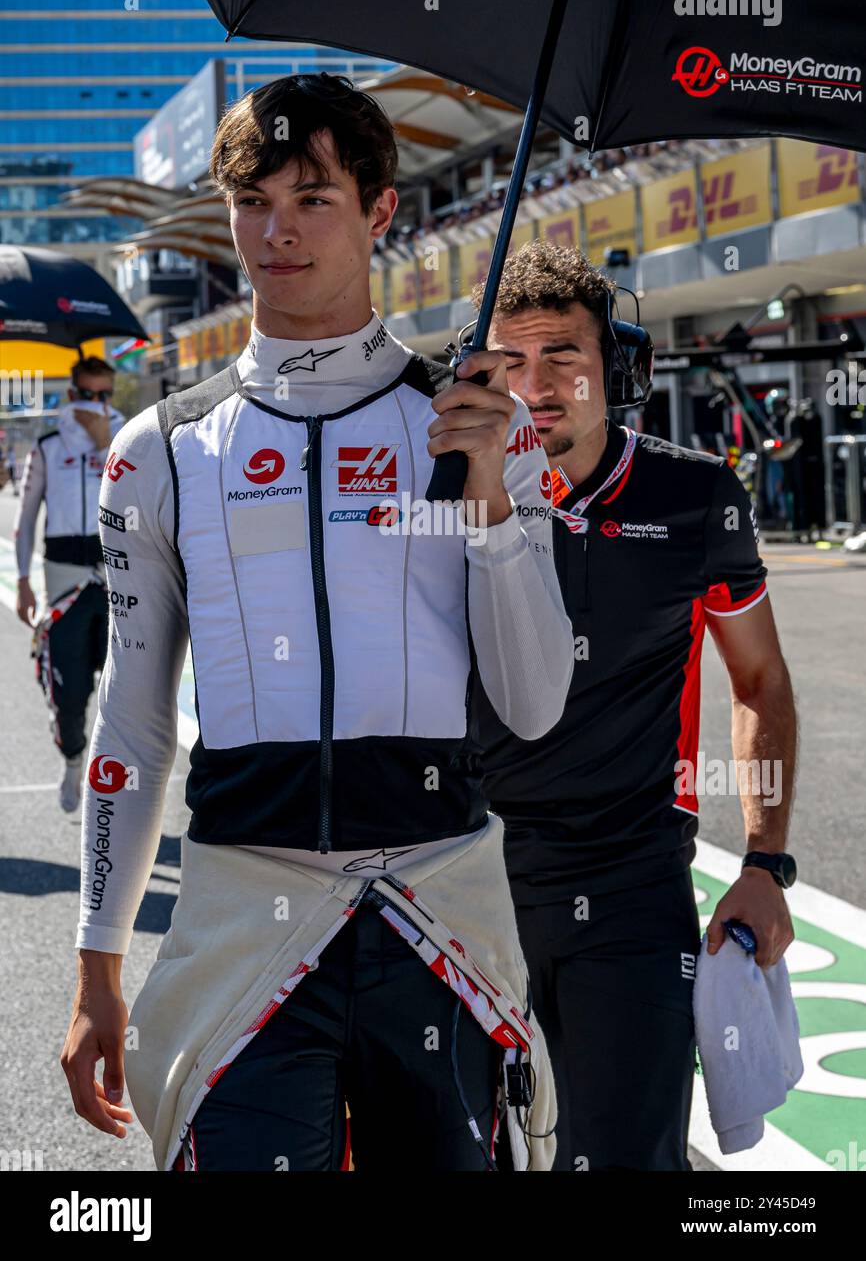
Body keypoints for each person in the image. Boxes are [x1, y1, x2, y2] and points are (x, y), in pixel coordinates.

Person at [60, 75, 573, 1172]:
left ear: (381, 210)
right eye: (253, 198)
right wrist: (99, 958)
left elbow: (533, 706)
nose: (276, 229)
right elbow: (135, 730)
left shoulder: (475, 421)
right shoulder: (156, 450)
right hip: (245, 916)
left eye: (313, 197)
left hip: (437, 921)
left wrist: (487, 499)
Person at [471, 240, 798, 1171]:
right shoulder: (442, 490)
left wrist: (767, 863)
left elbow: (761, 682)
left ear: (615, 371)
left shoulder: (695, 495)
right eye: (510, 362)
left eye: (562, 359)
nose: (536, 386)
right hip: (465, 878)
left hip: (634, 887)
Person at [14, 357, 125, 811]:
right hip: (64, 583)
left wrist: (107, 446)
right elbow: (24, 521)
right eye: (89, 395)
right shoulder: (46, 446)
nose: (98, 405)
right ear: (73, 395)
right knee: (70, 689)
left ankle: (120, 785)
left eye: (106, 396)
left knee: (125, 691)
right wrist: (22, 581)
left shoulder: (130, 440)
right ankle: (74, 759)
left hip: (119, 577)